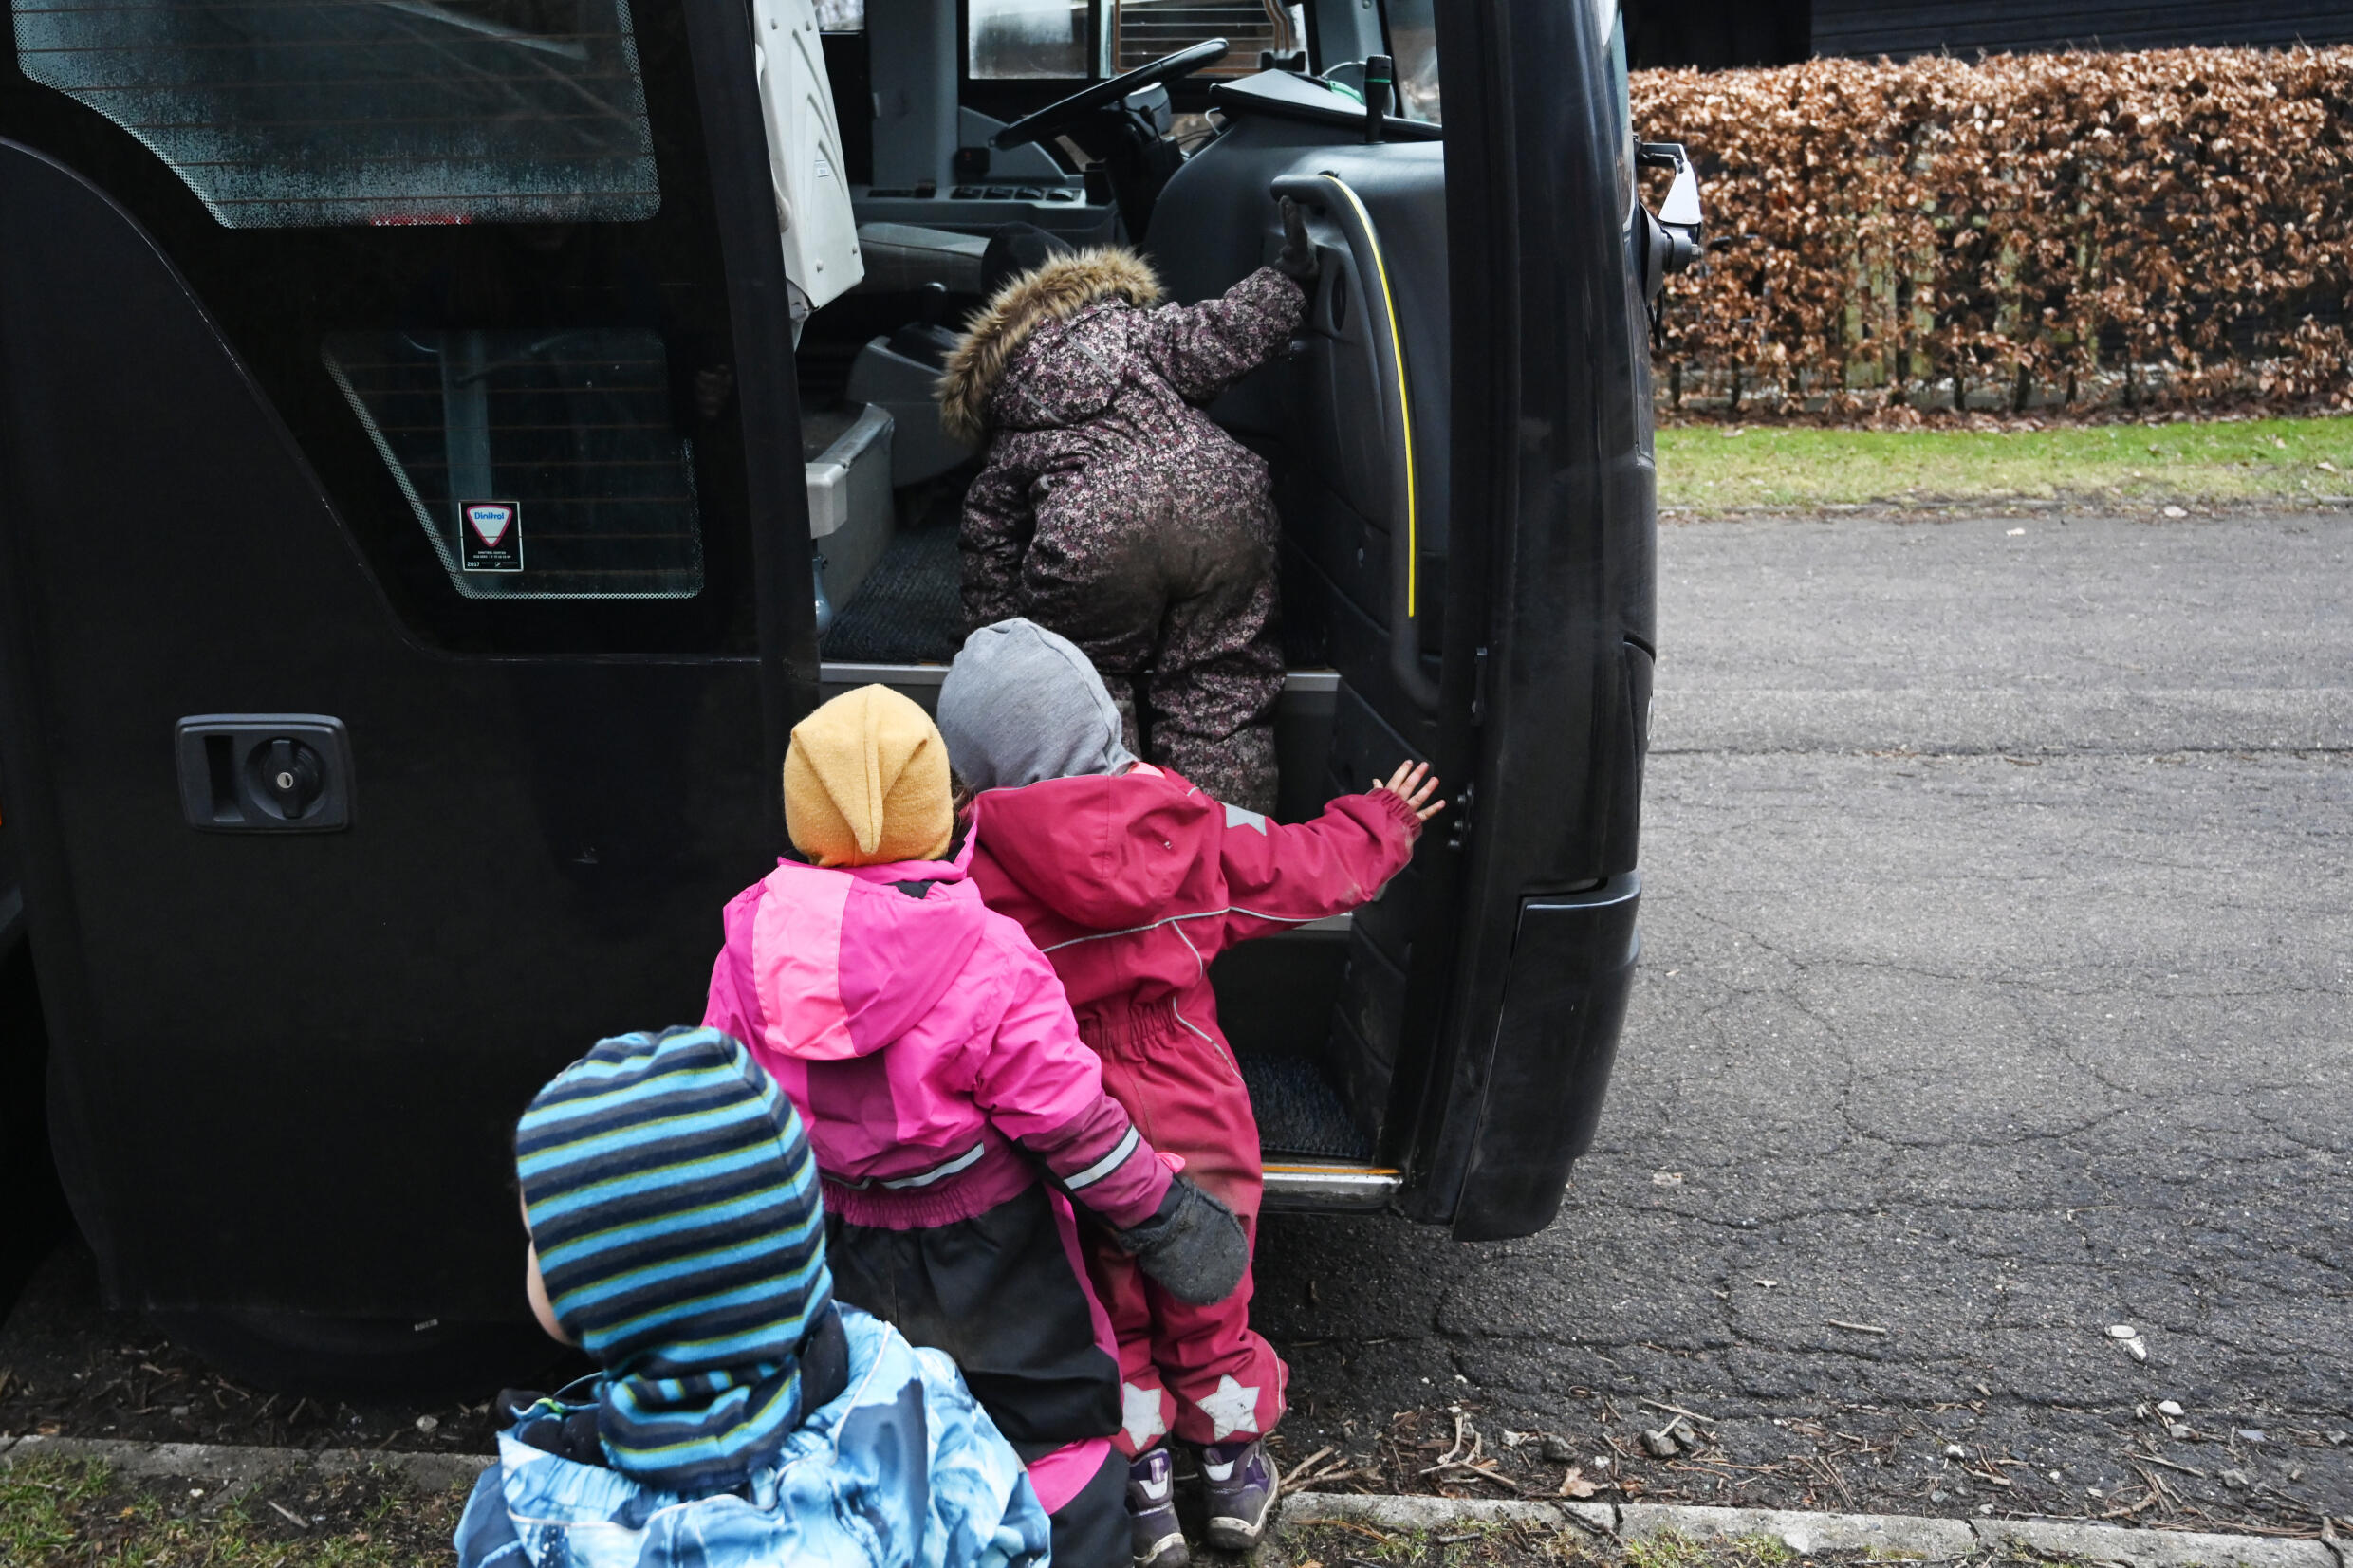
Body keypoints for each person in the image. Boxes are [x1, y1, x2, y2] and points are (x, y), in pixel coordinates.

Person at [935, 619, 1446, 1567]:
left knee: (1106, 1294)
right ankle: (1230, 1462)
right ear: (1100, 726)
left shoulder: (972, 865)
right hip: (1188, 1086)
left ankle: (1141, 1482)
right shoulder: (1179, 829)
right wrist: (1382, 823)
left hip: (1069, 1105)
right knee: (1208, 1275)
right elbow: (1297, 868)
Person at [702, 683, 1249, 1568]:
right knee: (1050, 1427)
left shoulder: (748, 948)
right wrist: (1162, 1212)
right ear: (938, 813)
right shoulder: (990, 952)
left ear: (805, 814)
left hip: (827, 1244)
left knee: (851, 1421)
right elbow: (1073, 1123)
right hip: (993, 1252)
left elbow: (726, 1111)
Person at [453, 1025, 1051, 1568]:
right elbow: (1012, 1536)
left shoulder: (523, 1519)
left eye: (539, 1240)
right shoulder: (916, 1399)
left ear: (605, 1296)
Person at [936, 204, 1322, 815]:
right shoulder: (1135, 330)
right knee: (1222, 686)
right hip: (1220, 508)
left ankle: (1117, 845)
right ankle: (1230, 847)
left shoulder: (1007, 387)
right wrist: (1288, 278)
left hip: (1095, 535)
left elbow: (990, 533)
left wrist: (990, 641)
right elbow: (1221, 334)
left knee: (1082, 689)